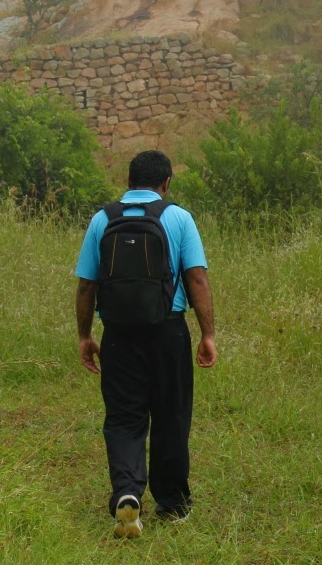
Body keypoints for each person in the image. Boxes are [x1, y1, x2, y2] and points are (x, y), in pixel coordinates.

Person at [73, 150, 217, 538]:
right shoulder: (178, 218)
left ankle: (126, 493)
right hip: (169, 332)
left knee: (123, 417)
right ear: (166, 182)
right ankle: (171, 504)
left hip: (118, 335)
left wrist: (86, 335)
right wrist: (207, 334)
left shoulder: (102, 219)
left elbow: (87, 285)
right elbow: (197, 280)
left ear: (129, 180)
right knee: (171, 416)